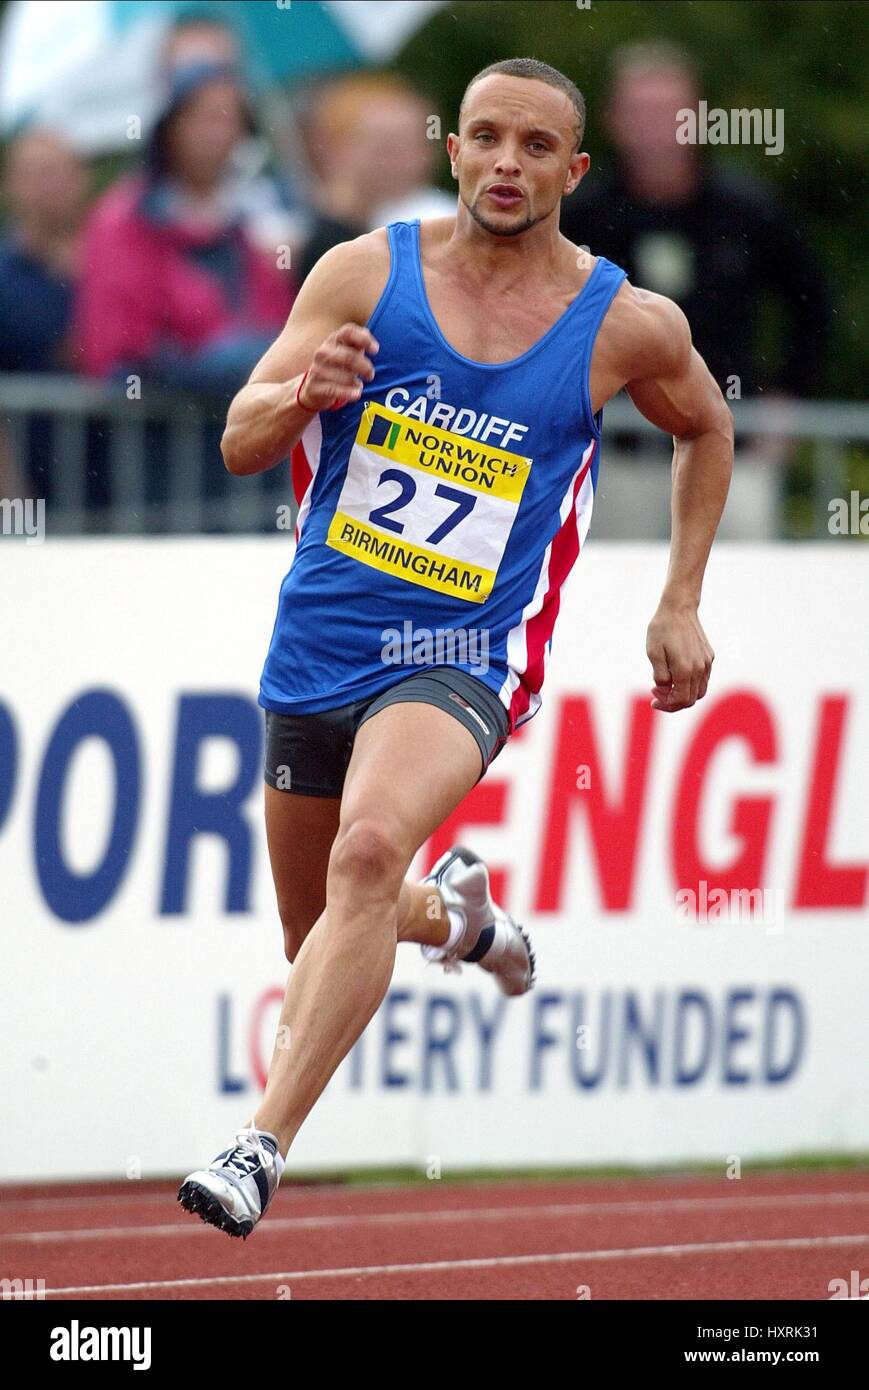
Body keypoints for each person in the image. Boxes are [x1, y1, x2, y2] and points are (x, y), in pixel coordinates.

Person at [178, 57, 732, 1238]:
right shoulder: (363, 272)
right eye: (485, 137)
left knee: (370, 849)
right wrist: (298, 394)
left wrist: (678, 598)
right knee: (323, 926)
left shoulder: (623, 320)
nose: (505, 164)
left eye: (536, 147)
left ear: (572, 171)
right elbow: (238, 435)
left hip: (463, 650)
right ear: (453, 149)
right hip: (318, 640)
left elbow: (706, 425)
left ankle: (254, 1145)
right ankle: (465, 921)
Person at [296, 72, 455, 283]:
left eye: (409, 144)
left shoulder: (439, 218)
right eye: (382, 146)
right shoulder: (290, 220)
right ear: (335, 149)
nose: (395, 161)